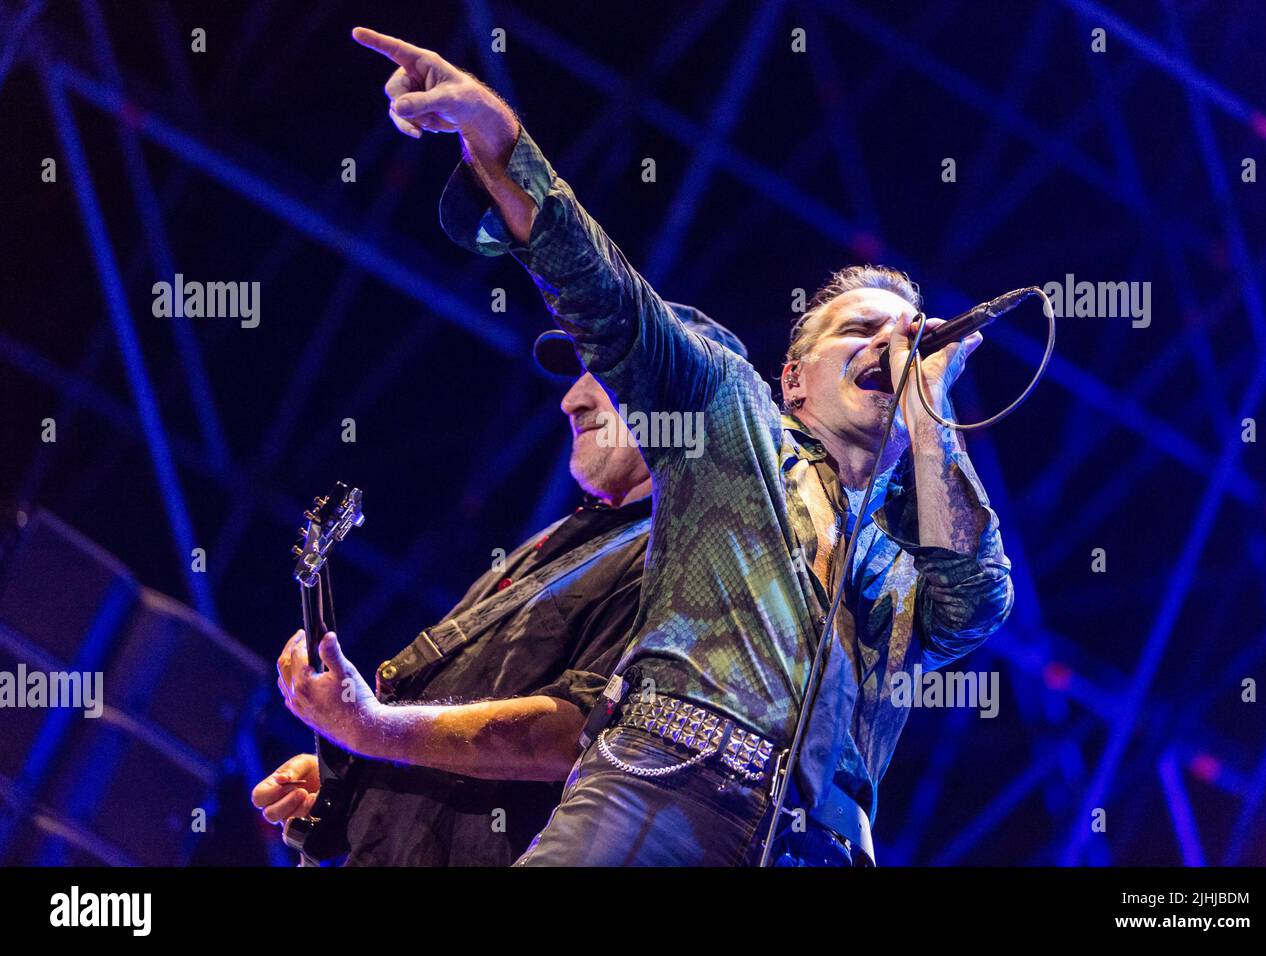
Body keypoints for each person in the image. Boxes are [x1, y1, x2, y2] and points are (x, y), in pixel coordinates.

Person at [352, 26, 1013, 866]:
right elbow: (610, 302)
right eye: (859, 329)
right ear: (796, 378)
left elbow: (978, 604)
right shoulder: (733, 419)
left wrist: (932, 420)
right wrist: (497, 141)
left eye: (904, 334)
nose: (889, 344)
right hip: (659, 792)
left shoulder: (912, 555)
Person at [251, 311, 745, 865]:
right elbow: (452, 727)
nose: (571, 401)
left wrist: (375, 731)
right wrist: (363, 773)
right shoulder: (550, 545)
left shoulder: (685, 555)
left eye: (603, 377)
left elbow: (584, 731)